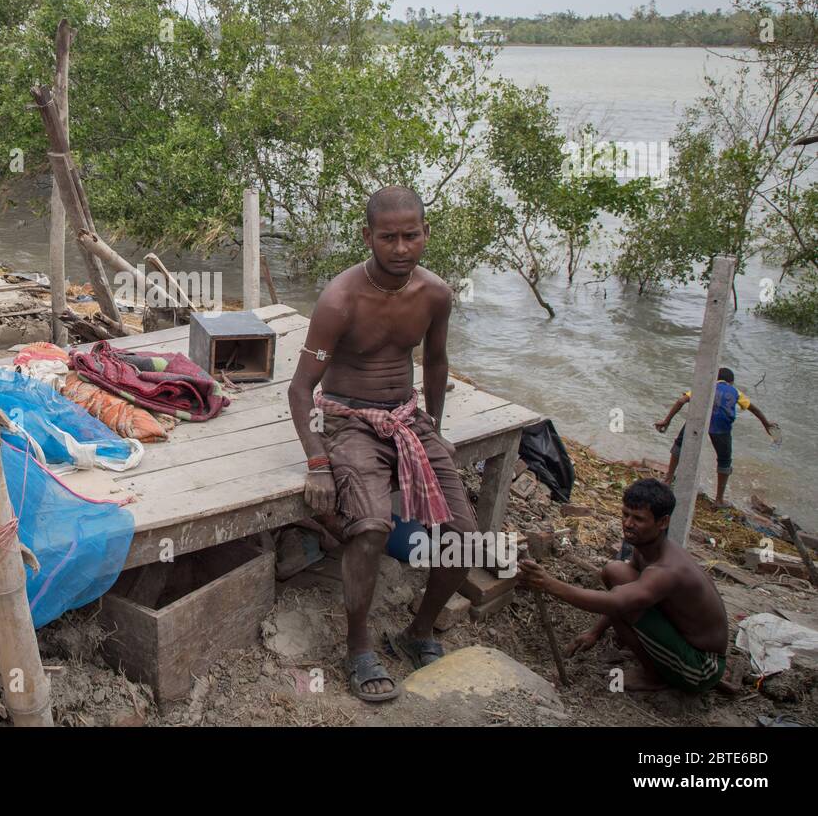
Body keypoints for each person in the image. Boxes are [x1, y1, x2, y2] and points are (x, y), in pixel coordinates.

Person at [288, 185, 476, 703]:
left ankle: (419, 632)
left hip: (408, 417)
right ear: (367, 236)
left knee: (465, 534)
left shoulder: (435, 293)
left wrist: (433, 424)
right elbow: (300, 389)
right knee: (370, 528)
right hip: (349, 421)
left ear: (425, 235)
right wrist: (318, 463)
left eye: (410, 236)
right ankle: (358, 646)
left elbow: (436, 362)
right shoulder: (340, 300)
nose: (400, 248)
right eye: (388, 237)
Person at [520, 478, 728, 693]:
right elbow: (622, 590)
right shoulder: (646, 547)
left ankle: (653, 676)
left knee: (625, 606)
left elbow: (618, 602)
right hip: (684, 637)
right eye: (625, 514)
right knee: (615, 571)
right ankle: (659, 658)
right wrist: (595, 632)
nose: (628, 524)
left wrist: (549, 584)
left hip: (702, 667)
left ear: (663, 522)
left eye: (638, 519)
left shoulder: (667, 570)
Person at [655, 367, 778, 505]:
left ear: (715, 379)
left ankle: (668, 479)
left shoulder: (706, 386)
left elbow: (681, 401)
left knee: (679, 444)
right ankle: (719, 499)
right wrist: (766, 424)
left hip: (698, 420)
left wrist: (667, 420)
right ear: (731, 382)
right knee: (724, 460)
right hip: (721, 427)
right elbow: (754, 409)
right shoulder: (735, 391)